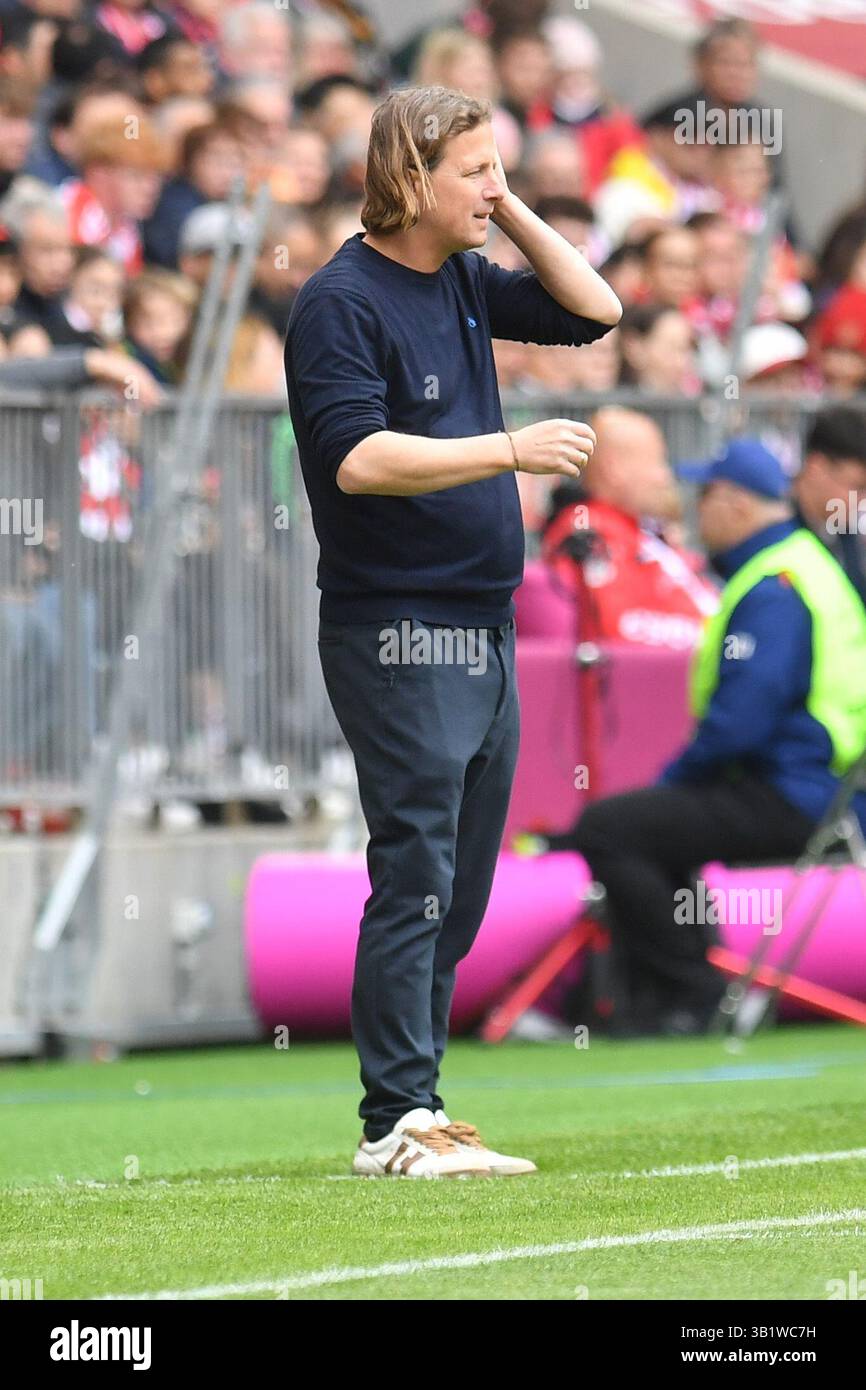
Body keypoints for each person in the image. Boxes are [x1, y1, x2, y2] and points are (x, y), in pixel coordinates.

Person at [284, 83, 621, 1177]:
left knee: (460, 884)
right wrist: (507, 449)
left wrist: (507, 208)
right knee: (415, 863)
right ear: (410, 176)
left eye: (498, 166)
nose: (494, 185)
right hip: (397, 626)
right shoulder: (342, 299)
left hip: (479, 623)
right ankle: (395, 1120)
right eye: (475, 169)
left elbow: (595, 310)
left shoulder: (466, 274)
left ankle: (416, 1104)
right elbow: (356, 457)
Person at [530, 439, 866, 1035]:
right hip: (822, 791)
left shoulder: (774, 583)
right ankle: (669, 1001)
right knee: (655, 829)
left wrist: (672, 783)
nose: (693, 510)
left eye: (705, 495)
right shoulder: (802, 565)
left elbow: (741, 723)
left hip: (797, 795)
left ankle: (700, 996)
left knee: (612, 826)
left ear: (736, 506)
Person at [792, 407, 866, 608]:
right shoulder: (774, 530)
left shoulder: (844, 531)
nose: (862, 500)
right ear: (817, 468)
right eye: (858, 487)